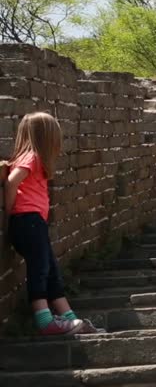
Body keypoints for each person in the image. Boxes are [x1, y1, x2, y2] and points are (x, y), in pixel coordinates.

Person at [3, 112, 100, 335]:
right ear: (46, 138)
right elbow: (10, 182)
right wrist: (10, 213)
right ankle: (45, 321)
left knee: (51, 270)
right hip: (27, 221)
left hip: (34, 223)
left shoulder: (32, 158)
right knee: (39, 270)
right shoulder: (33, 156)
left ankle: (70, 318)